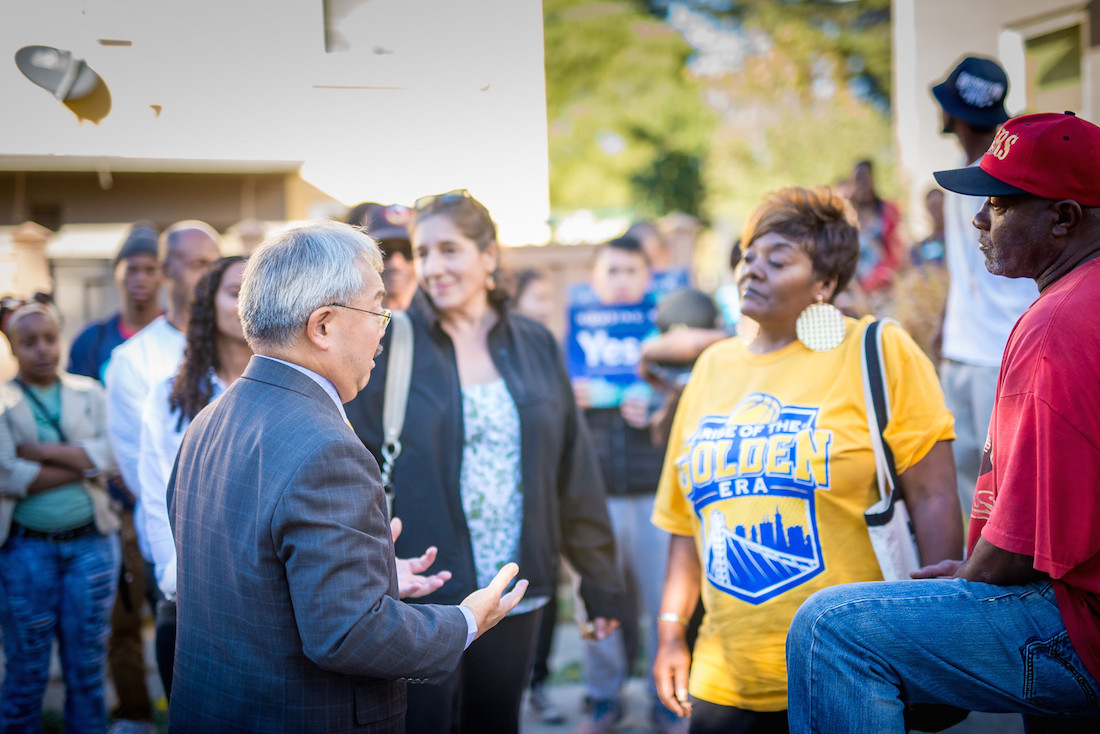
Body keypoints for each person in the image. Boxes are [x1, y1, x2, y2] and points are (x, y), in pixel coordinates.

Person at [786, 111, 1100, 733]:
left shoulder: (1057, 324)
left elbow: (1022, 545)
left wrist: (969, 576)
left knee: (831, 628)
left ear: (1064, 218)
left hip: (1080, 627)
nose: (978, 219)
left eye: (998, 205)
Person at [167, 219, 527, 732]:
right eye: (377, 309)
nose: (384, 328)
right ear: (323, 326)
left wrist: (370, 575)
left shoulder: (211, 419)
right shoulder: (327, 449)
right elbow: (350, 634)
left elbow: (249, 576)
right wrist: (467, 620)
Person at [651, 185, 963, 734]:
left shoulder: (876, 350)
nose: (753, 269)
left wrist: (936, 631)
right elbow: (684, 523)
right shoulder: (711, 368)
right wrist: (671, 631)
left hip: (850, 668)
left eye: (777, 260)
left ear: (824, 283)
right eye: (748, 256)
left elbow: (934, 495)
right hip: (725, 678)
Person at [344, 189, 624, 734]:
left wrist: (599, 580)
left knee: (495, 724)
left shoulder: (535, 342)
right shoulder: (389, 342)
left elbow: (573, 470)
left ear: (489, 254)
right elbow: (355, 466)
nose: (433, 267)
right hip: (425, 596)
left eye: (449, 250)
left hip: (514, 589)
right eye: (424, 253)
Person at [101, 220, 220, 732]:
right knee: (192, 688)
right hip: (178, 551)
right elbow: (140, 472)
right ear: (165, 270)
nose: (208, 276)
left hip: (250, 548)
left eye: (214, 264)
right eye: (196, 264)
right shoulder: (134, 362)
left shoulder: (245, 350)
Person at [567, 235, 680, 734]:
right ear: (594, 279)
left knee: (664, 602)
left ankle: (666, 695)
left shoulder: (671, 340)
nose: (620, 281)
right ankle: (603, 697)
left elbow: (693, 402)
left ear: (647, 278)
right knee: (597, 599)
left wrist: (659, 401)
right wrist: (570, 397)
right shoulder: (571, 340)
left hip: (655, 495)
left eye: (630, 271)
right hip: (594, 498)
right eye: (611, 271)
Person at [0, 294, 120, 734]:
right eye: (29, 342)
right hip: (26, 552)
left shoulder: (90, 393)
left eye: (49, 338)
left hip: (92, 546)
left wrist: (40, 452)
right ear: (12, 347)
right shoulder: (3, 401)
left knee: (87, 668)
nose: (42, 349)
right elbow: (7, 474)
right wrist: (83, 463)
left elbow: (112, 456)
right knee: (26, 669)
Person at [135, 256, 248, 699]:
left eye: (256, 292)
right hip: (189, 598)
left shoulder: (296, 393)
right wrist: (177, 579)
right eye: (235, 292)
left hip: (267, 601)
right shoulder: (170, 397)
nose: (247, 303)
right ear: (207, 306)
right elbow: (155, 497)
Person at [930, 56, 1038, 520]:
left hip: (1002, 353)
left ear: (954, 113)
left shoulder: (1011, 176)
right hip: (961, 351)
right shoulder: (963, 170)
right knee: (964, 484)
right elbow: (963, 268)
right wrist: (944, 325)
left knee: (1003, 485)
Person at [68, 222, 162, 384]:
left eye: (150, 270)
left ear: (164, 275)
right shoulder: (91, 341)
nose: (141, 279)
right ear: (115, 274)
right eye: (132, 269)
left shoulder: (183, 336)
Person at [846, 160, 905, 302]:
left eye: (865, 179)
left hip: (884, 289)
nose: (862, 184)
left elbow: (898, 252)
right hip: (853, 291)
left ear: (873, 180)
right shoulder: (845, 215)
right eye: (858, 179)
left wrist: (877, 279)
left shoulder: (888, 211)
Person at [346, 202, 418, 310]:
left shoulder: (439, 315)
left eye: (408, 251)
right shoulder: (344, 315)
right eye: (382, 251)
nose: (396, 263)